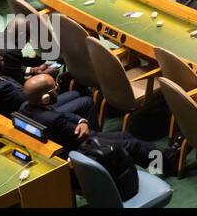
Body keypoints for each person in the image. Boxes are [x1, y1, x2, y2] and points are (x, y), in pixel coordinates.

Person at [19, 74, 161, 178]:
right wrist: (94, 133)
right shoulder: (54, 120)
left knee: (126, 136)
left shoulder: (25, 107)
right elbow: (84, 136)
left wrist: (82, 121)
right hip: (82, 150)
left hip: (66, 145)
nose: (57, 88)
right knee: (131, 143)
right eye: (54, 87)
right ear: (46, 97)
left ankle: (162, 160)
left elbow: (59, 114)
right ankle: (168, 161)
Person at [0, 48, 93, 119]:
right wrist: (45, 77)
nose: (1, 58)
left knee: (75, 93)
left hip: (23, 109)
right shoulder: (2, 89)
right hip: (34, 114)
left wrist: (34, 70)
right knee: (86, 100)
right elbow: (34, 97)